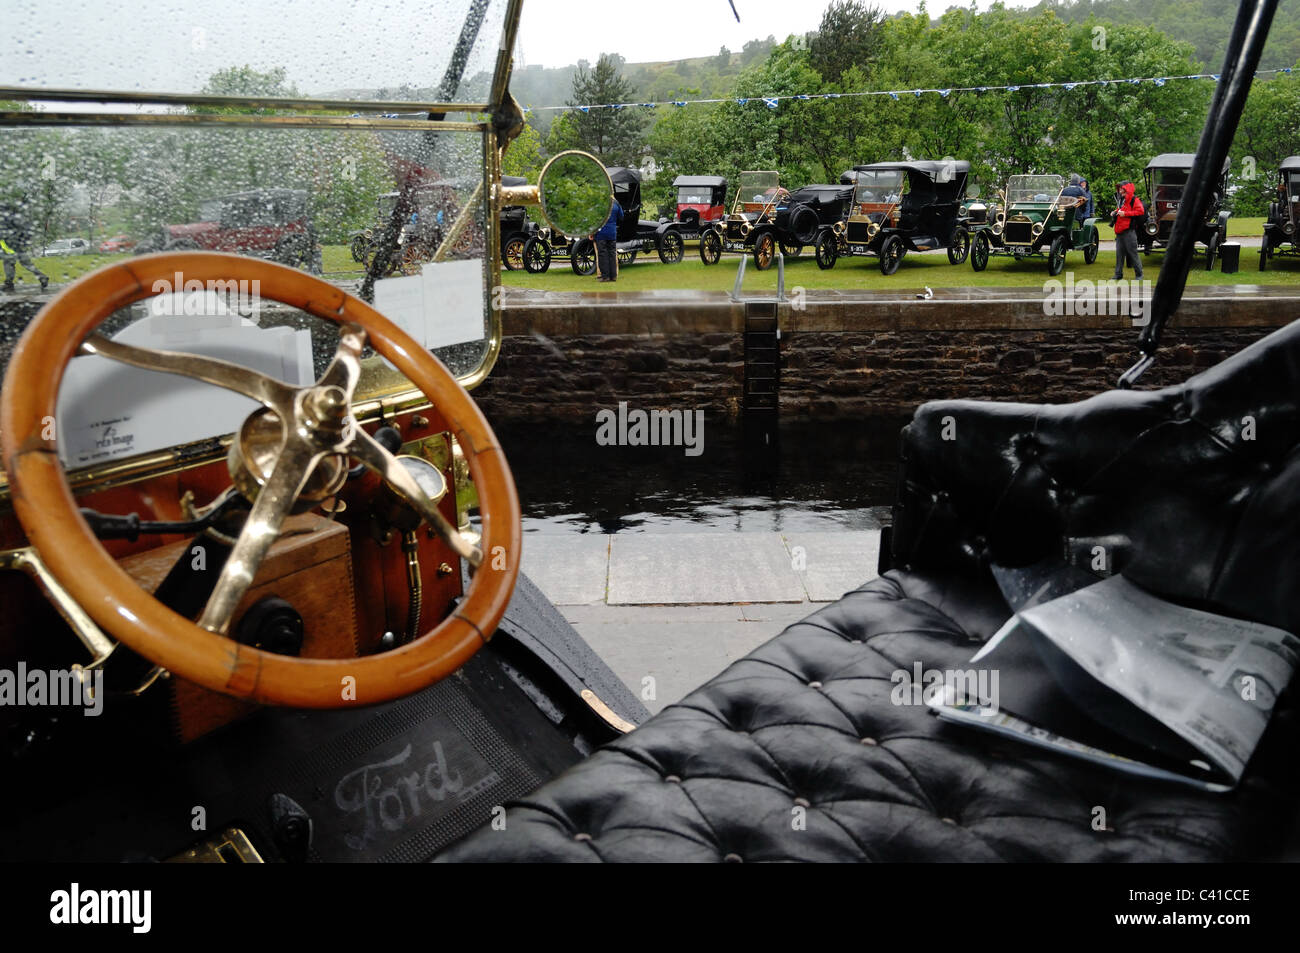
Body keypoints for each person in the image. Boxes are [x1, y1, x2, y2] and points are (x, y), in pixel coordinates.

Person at [0, 202, 49, 293]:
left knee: (12, 263)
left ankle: (9, 284)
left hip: (12, 246)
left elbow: (3, 233)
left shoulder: (4, 218)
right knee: (19, 263)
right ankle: (42, 278)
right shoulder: (13, 217)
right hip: (15, 245)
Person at [1111, 181, 1145, 280]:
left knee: (1133, 253)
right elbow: (1121, 209)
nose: (1120, 190)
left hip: (1129, 231)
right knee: (1119, 254)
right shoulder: (1122, 199)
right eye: (1120, 188)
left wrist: (1125, 214)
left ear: (1126, 189)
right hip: (1120, 231)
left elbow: (1140, 211)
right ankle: (1118, 274)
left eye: (1122, 188)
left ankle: (1139, 275)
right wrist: (1115, 212)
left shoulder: (1134, 200)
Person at [594, 198, 623, 282]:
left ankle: (605, 276)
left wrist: (592, 233)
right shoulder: (616, 203)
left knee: (603, 255)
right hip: (612, 232)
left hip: (601, 233)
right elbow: (621, 216)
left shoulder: (599, 203)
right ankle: (613, 276)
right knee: (612, 254)